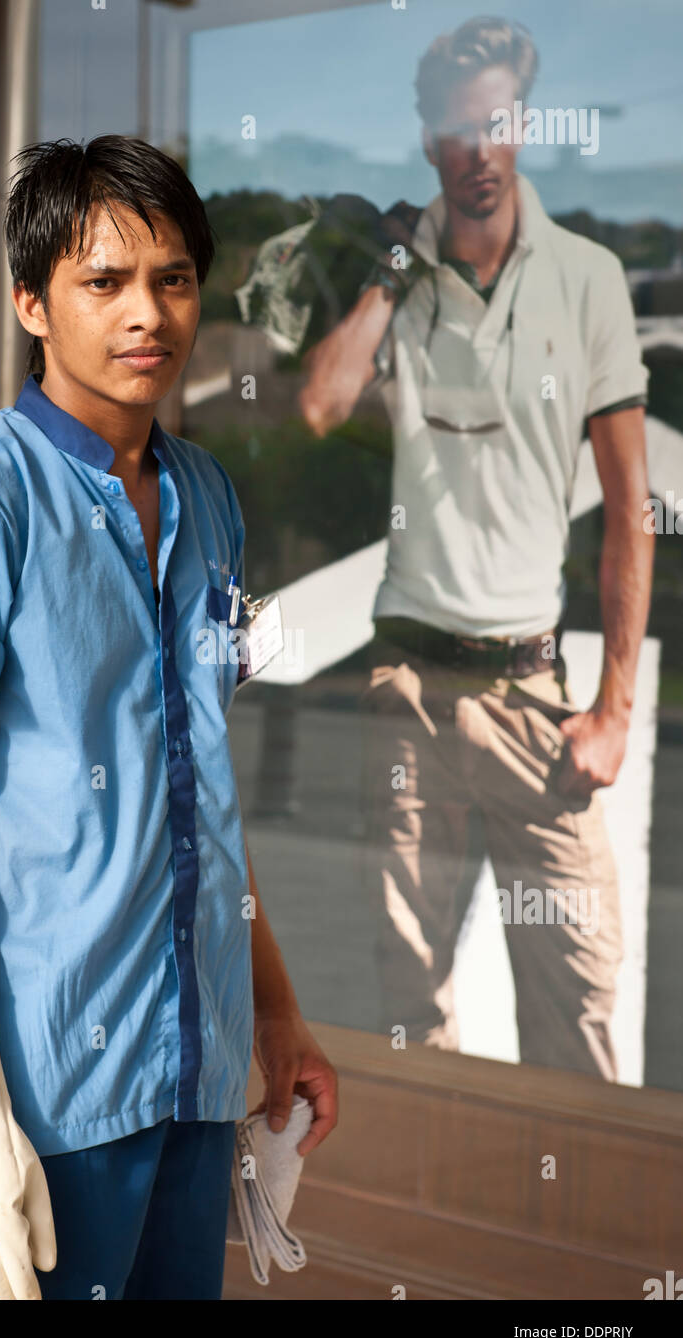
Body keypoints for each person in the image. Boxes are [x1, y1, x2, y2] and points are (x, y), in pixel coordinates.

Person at [0, 134, 337, 1301]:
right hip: (32, 1100)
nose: (147, 313)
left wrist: (274, 1016)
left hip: (191, 1087)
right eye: (102, 281)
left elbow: (196, 789)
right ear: (30, 300)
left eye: (171, 279)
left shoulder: (207, 498)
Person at [299, 18, 653, 1079]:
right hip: (407, 685)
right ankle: (447, 1227)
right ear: (427, 141)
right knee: (409, 1003)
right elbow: (318, 402)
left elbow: (631, 510)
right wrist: (390, 266)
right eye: (457, 128)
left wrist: (613, 710)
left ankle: (573, 1234)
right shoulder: (402, 285)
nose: (478, 149)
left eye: (497, 122)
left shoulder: (586, 277)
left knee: (579, 993)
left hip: (531, 699)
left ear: (523, 127)